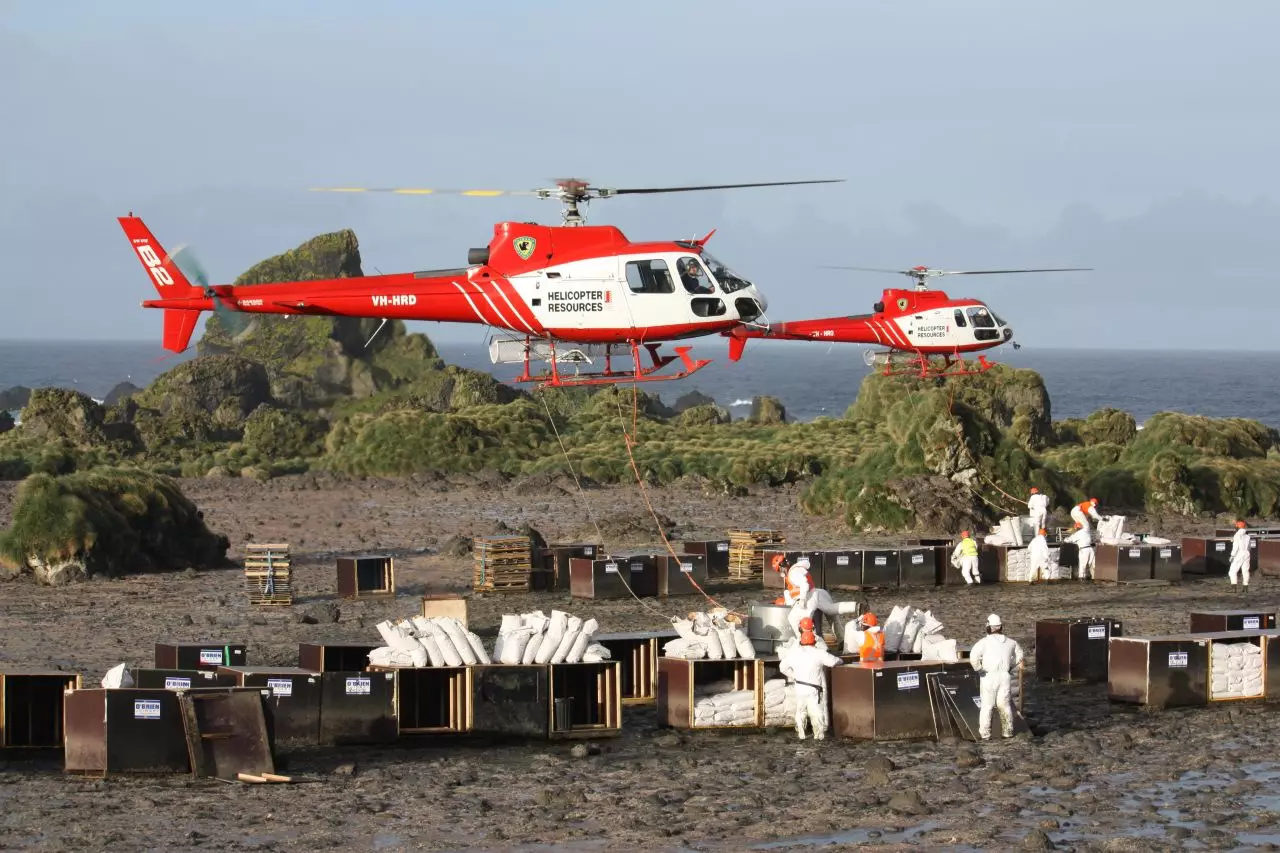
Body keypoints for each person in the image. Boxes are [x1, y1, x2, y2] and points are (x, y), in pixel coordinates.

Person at [778, 622, 841, 740]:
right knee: (816, 712)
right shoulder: (819, 653)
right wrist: (841, 661)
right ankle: (818, 736)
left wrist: (794, 675)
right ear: (814, 642)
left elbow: (782, 667)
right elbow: (833, 662)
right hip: (814, 689)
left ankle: (801, 734)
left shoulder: (794, 653)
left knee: (800, 710)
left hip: (799, 687)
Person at [969, 613, 1025, 741]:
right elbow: (1020, 654)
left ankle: (985, 735)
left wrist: (979, 669)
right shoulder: (1011, 642)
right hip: (1004, 677)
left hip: (988, 676)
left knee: (987, 706)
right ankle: (1008, 732)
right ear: (1001, 627)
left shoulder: (983, 642)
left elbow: (973, 657)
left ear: (988, 627)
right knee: (1004, 705)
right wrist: (1011, 664)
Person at [1229, 520, 1254, 593]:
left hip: (1239, 553)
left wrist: (1232, 556)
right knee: (1245, 571)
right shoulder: (1247, 536)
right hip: (1247, 553)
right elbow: (1249, 547)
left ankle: (1233, 588)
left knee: (1232, 571)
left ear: (1238, 527)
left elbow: (1235, 547)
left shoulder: (1237, 535)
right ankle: (1245, 587)